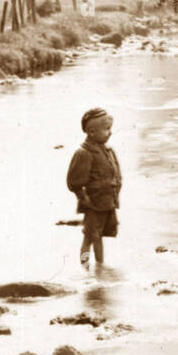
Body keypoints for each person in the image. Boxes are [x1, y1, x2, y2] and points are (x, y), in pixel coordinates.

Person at [66, 107, 122, 269]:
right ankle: (84, 266)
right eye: (106, 130)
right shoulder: (84, 153)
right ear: (91, 132)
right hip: (94, 203)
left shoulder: (107, 150)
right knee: (89, 237)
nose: (109, 133)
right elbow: (74, 181)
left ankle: (99, 265)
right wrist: (84, 198)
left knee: (99, 236)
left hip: (107, 202)